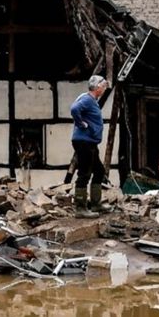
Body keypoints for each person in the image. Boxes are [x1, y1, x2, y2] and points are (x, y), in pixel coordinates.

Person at [70, 75, 108, 218]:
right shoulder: (86, 99)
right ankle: (80, 208)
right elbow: (74, 109)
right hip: (84, 141)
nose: (104, 89)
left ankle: (96, 204)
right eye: (103, 87)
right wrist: (81, 124)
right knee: (84, 172)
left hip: (90, 142)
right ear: (98, 87)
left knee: (99, 171)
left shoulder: (91, 100)